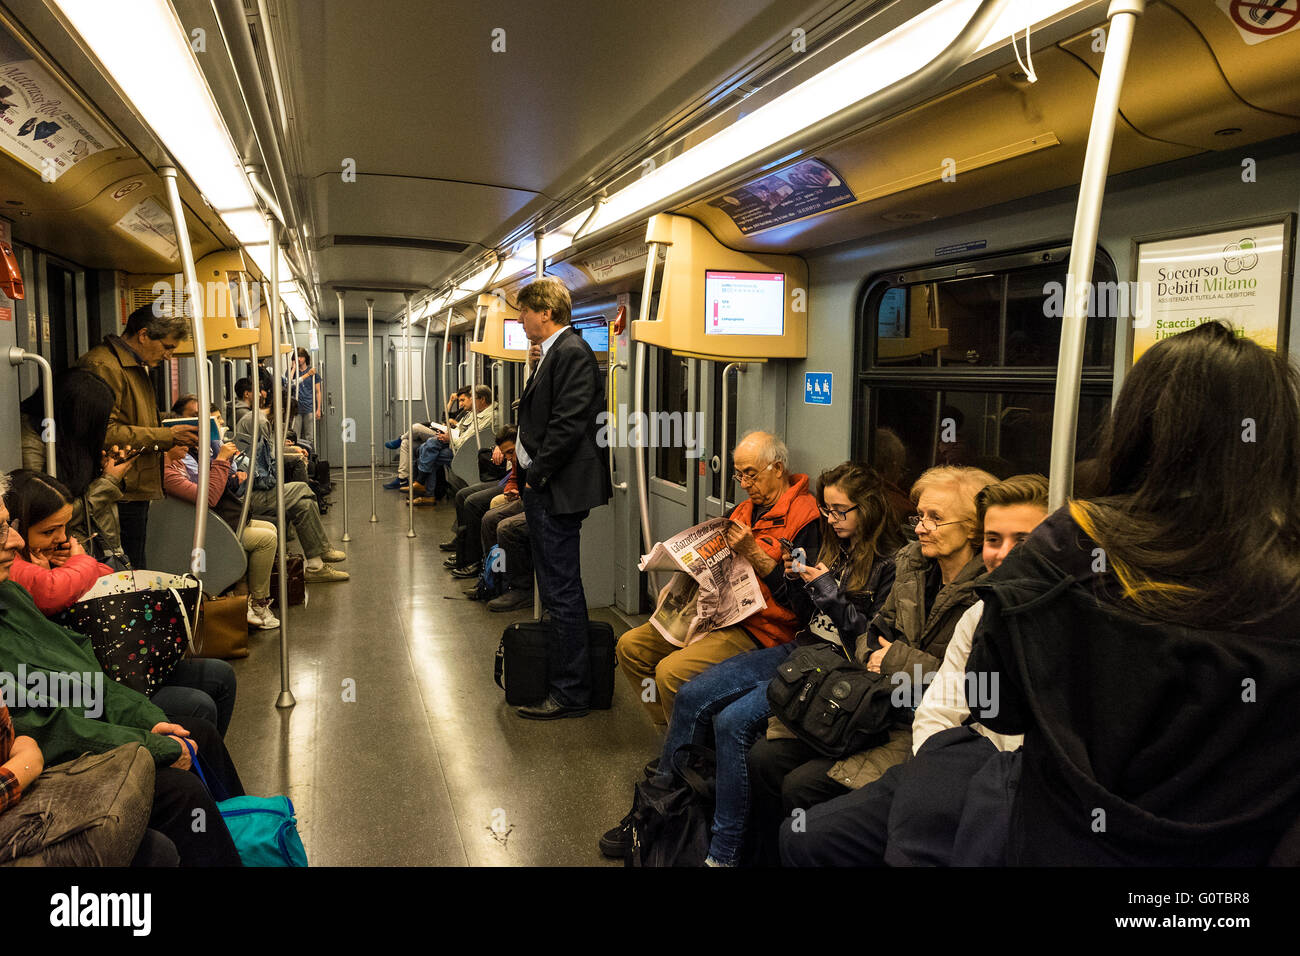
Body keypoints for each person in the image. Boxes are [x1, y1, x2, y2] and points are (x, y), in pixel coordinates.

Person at [966, 322, 1300, 866]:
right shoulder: (1286, 578)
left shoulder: (1067, 546)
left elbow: (993, 705)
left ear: (1137, 426)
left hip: (1071, 844)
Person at [602, 461, 904, 864]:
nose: (830, 520)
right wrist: (794, 581)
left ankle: (724, 852)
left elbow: (868, 639)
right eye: (828, 511)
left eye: (839, 511)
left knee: (732, 722)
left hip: (835, 667)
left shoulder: (889, 564)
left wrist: (828, 593)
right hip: (801, 647)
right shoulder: (830, 545)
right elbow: (799, 613)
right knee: (691, 695)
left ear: (867, 509)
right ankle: (660, 814)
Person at [780, 474, 1049, 867]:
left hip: (988, 767)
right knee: (795, 820)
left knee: (801, 788)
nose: (1004, 554)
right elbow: (931, 699)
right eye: (996, 541)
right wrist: (935, 779)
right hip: (899, 716)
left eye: (1023, 541)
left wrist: (895, 660)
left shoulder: (1067, 621)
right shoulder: (964, 602)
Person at [0, 476, 244, 865]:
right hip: (55, 748)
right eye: (1, 530)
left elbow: (83, 675)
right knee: (181, 785)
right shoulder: (21, 577)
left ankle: (242, 831)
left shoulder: (8, 595)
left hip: (80, 713)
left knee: (197, 727)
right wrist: (153, 744)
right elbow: (45, 725)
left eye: (9, 526)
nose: (14, 541)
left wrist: (147, 721)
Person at [748, 464, 995, 827]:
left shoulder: (984, 596)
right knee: (763, 756)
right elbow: (869, 636)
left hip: (915, 722)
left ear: (972, 528)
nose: (921, 527)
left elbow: (968, 685)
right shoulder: (913, 568)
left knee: (801, 787)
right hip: (875, 700)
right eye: (920, 515)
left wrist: (895, 658)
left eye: (935, 518)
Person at [3, 469, 241, 737]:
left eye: (64, 527)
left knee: (221, 676)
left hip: (113, 662)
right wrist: (80, 563)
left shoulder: (47, 558)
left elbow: (110, 581)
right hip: (90, 678)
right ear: (17, 528)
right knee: (199, 706)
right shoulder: (14, 567)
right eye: (49, 531)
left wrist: (78, 567)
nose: (60, 538)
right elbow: (52, 591)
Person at [616, 431, 820, 728]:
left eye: (751, 475)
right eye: (740, 476)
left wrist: (754, 553)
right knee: (630, 647)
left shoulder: (805, 520)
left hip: (760, 628)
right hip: (716, 612)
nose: (746, 485)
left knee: (670, 673)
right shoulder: (743, 510)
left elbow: (801, 602)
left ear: (777, 468)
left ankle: (685, 746)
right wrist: (677, 592)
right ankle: (675, 728)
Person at [512, 276, 612, 719]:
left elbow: (568, 424)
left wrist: (536, 476)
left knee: (563, 590)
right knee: (555, 587)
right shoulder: (552, 354)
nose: (520, 319)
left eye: (525, 312)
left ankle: (571, 691)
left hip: (555, 489)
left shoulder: (571, 353)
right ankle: (563, 677)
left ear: (546, 313)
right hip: (547, 487)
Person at [78, 305, 200, 569]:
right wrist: (166, 435)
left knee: (135, 566)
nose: (169, 356)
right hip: (118, 487)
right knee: (126, 570)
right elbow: (103, 431)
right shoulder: (104, 366)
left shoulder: (134, 366)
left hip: (132, 484)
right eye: (167, 347)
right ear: (143, 335)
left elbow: (132, 419)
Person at [19, 368, 133, 566]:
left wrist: (103, 470)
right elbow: (52, 515)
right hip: (64, 555)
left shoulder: (67, 439)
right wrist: (108, 482)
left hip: (89, 546)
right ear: (79, 420)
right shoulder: (32, 445)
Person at [163, 439, 280, 629]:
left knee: (269, 528)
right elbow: (210, 496)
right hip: (196, 530)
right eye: (181, 441)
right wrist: (221, 459)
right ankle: (258, 602)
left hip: (209, 520)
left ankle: (243, 595)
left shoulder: (180, 464)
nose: (188, 445)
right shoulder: (168, 474)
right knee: (266, 540)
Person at [233, 391, 349, 584]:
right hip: (251, 493)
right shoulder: (260, 423)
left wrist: (289, 450)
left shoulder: (261, 420)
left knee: (303, 504)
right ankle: (323, 549)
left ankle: (315, 565)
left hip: (256, 485)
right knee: (304, 490)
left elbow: (268, 453)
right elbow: (266, 462)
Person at [445, 426, 518, 577]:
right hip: (507, 480)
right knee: (461, 496)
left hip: (510, 484)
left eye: (510, 452)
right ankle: (463, 551)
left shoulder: (523, 451)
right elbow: (514, 476)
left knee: (473, 502)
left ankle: (475, 560)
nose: (509, 456)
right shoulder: (513, 451)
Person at [412, 385, 495, 495]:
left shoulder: (489, 416)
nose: (468, 402)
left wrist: (449, 437)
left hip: (469, 451)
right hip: (460, 445)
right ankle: (425, 488)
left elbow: (464, 441)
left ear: (482, 399)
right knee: (427, 449)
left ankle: (426, 489)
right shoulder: (473, 413)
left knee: (427, 450)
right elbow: (458, 429)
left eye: (472, 399)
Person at [385, 388, 469, 492]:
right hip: (445, 431)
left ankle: (399, 438)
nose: (460, 403)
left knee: (416, 428)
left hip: (450, 436)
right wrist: (451, 402)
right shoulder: (463, 411)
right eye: (459, 400)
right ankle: (402, 479)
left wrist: (454, 422)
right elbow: (444, 419)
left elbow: (462, 430)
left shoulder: (469, 413)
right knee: (406, 443)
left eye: (462, 400)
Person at [285, 347, 321, 442]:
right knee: (295, 435)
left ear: (305, 358)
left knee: (310, 437)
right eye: (297, 357)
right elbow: (288, 384)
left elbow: (318, 392)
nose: (299, 359)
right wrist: (293, 368)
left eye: (301, 357)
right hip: (297, 408)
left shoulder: (313, 373)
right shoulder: (293, 372)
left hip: (309, 407)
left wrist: (318, 409)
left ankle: (310, 455)